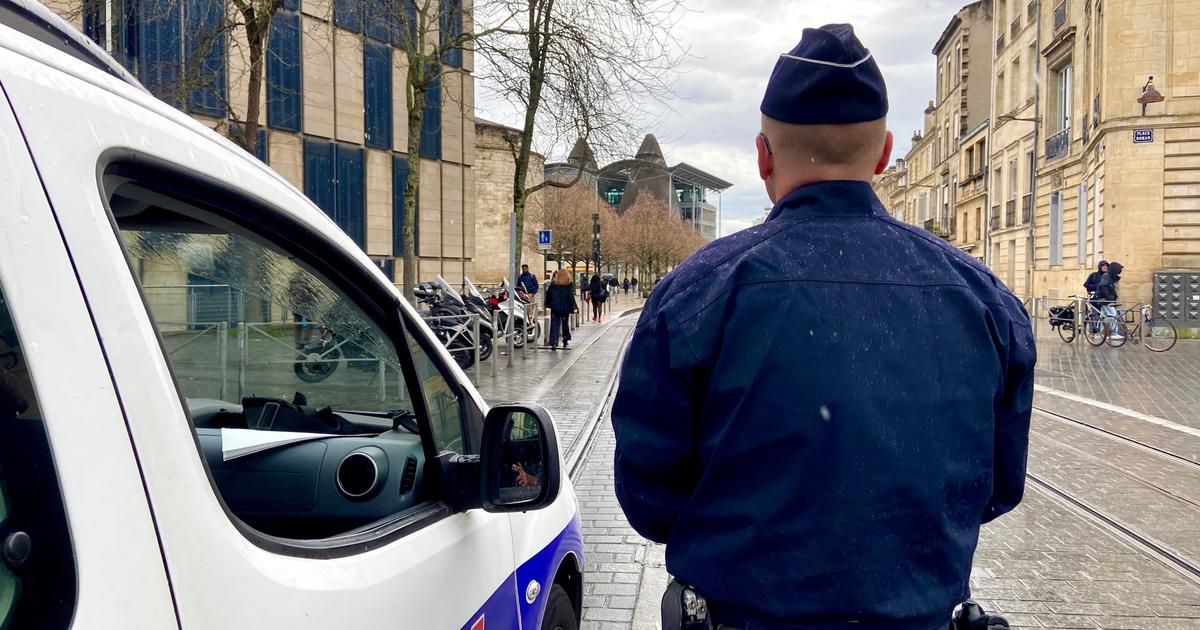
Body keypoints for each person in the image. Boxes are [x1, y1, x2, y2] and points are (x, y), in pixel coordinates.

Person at [611, 24, 1034, 630]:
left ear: (763, 156)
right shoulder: (984, 299)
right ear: (885, 153)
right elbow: (999, 485)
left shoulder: (696, 294)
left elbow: (650, 498)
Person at [544, 270, 577, 351]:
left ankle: (554, 342)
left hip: (555, 307)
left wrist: (548, 304)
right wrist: (573, 306)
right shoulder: (568, 285)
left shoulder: (553, 285)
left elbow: (548, 295)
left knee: (555, 324)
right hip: (565, 307)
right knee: (565, 324)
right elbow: (570, 296)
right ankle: (565, 340)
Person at [1096, 261, 1123, 337]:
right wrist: (1109, 298)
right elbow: (1104, 287)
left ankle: (1101, 333)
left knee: (1103, 316)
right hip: (1106, 300)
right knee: (1113, 315)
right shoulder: (1107, 276)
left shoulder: (1109, 276)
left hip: (1105, 300)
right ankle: (1113, 333)